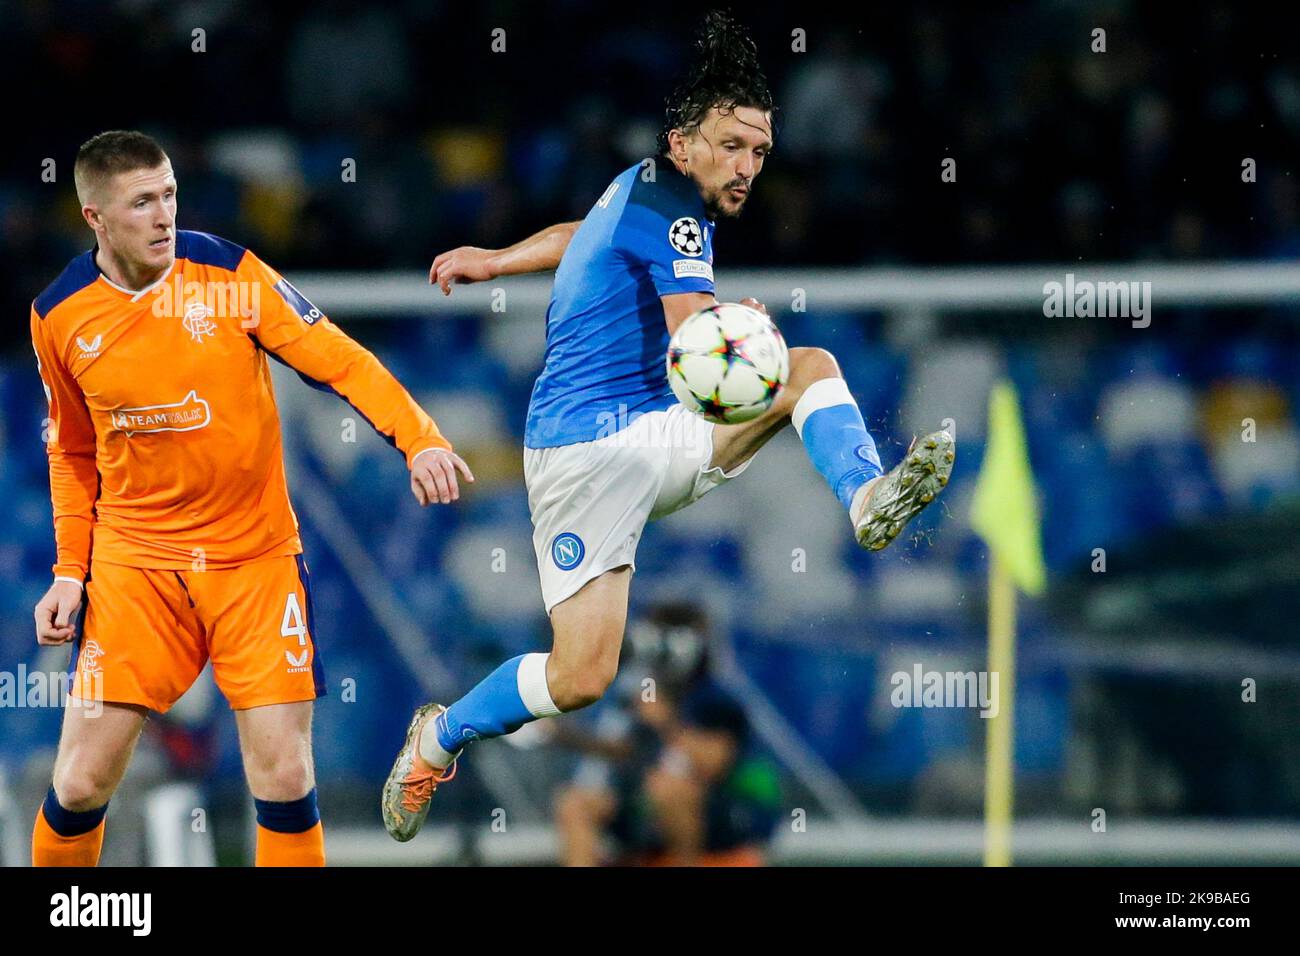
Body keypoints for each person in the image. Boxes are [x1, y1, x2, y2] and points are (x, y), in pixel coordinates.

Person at [382, 11, 952, 842]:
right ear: (684, 143)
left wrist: (498, 259)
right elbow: (694, 332)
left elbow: (587, 238)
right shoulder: (677, 211)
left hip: (650, 432)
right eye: (731, 145)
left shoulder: (641, 187)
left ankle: (867, 497)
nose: (748, 166)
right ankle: (437, 737)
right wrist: (730, 330)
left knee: (811, 367)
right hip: (579, 455)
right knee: (580, 676)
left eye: (759, 150)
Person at [30, 130, 472, 867]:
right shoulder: (60, 314)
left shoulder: (229, 273)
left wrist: (419, 437)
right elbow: (71, 453)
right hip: (136, 567)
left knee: (287, 772)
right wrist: (69, 572)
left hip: (253, 561)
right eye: (142, 202)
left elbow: (340, 358)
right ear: (95, 218)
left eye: (169, 194)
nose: (165, 214)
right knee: (78, 782)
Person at [552, 603, 780, 866]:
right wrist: (560, 734)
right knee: (576, 803)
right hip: (651, 805)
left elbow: (713, 763)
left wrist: (666, 721)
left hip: (721, 809)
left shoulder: (713, 697)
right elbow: (626, 749)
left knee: (667, 789)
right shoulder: (646, 691)